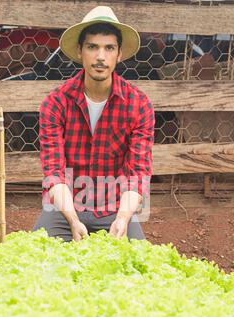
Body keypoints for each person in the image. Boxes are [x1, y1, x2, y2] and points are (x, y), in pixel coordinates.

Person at [33, 6, 155, 242]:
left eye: (109, 48)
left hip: (115, 207)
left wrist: (123, 218)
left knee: (139, 264)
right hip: (65, 207)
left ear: (119, 53)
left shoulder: (139, 105)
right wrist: (72, 219)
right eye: (92, 47)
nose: (101, 56)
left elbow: (138, 173)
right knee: (36, 257)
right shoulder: (55, 103)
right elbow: (54, 173)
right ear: (80, 51)